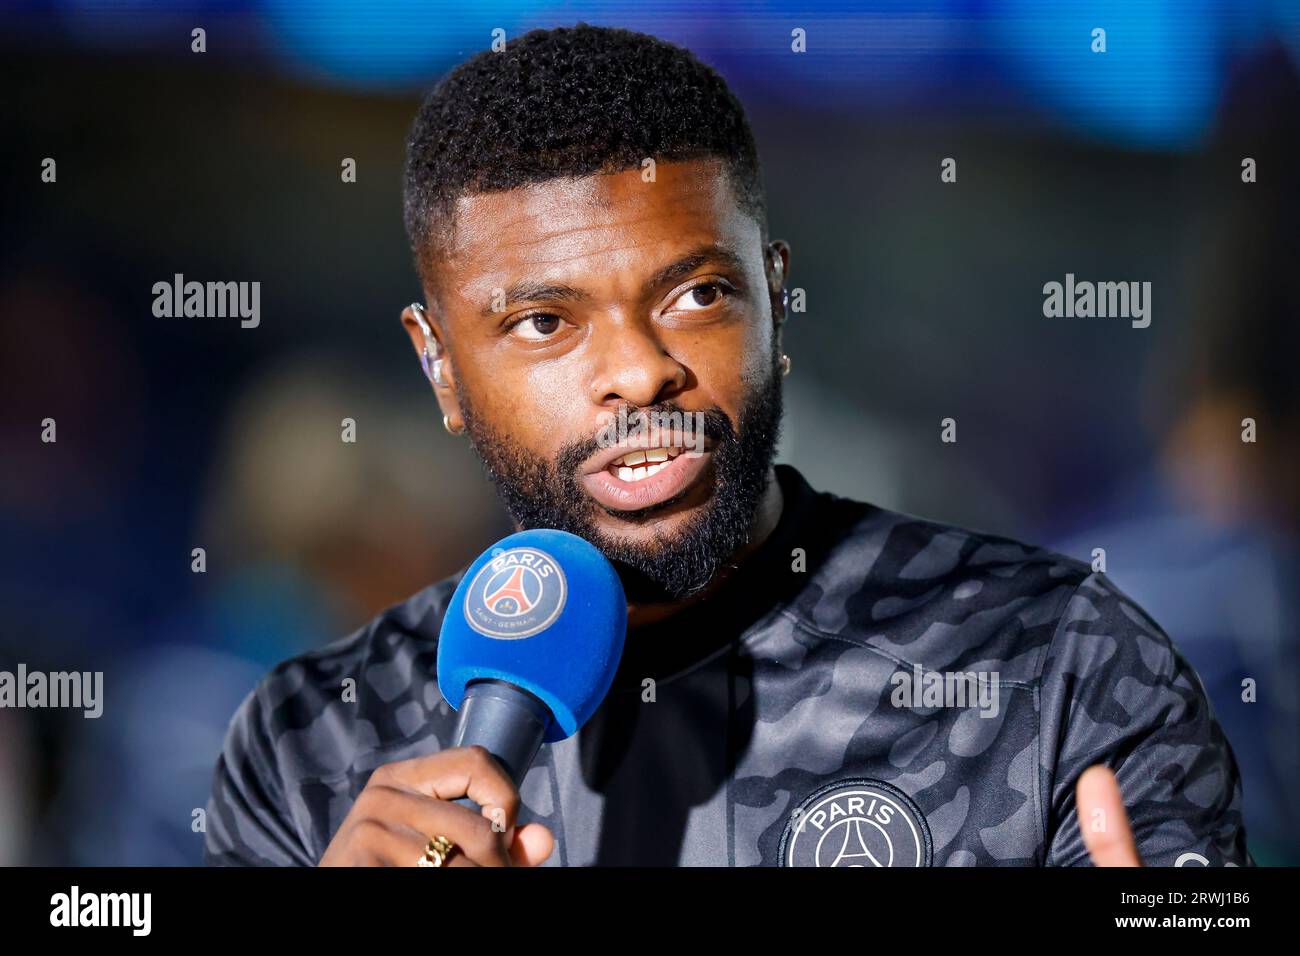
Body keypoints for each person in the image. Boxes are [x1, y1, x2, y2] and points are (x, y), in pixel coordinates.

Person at [205, 24, 1248, 868]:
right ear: (439, 367)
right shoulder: (312, 743)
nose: (639, 370)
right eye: (543, 322)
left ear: (776, 302)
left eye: (697, 293)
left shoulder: (1056, 665)